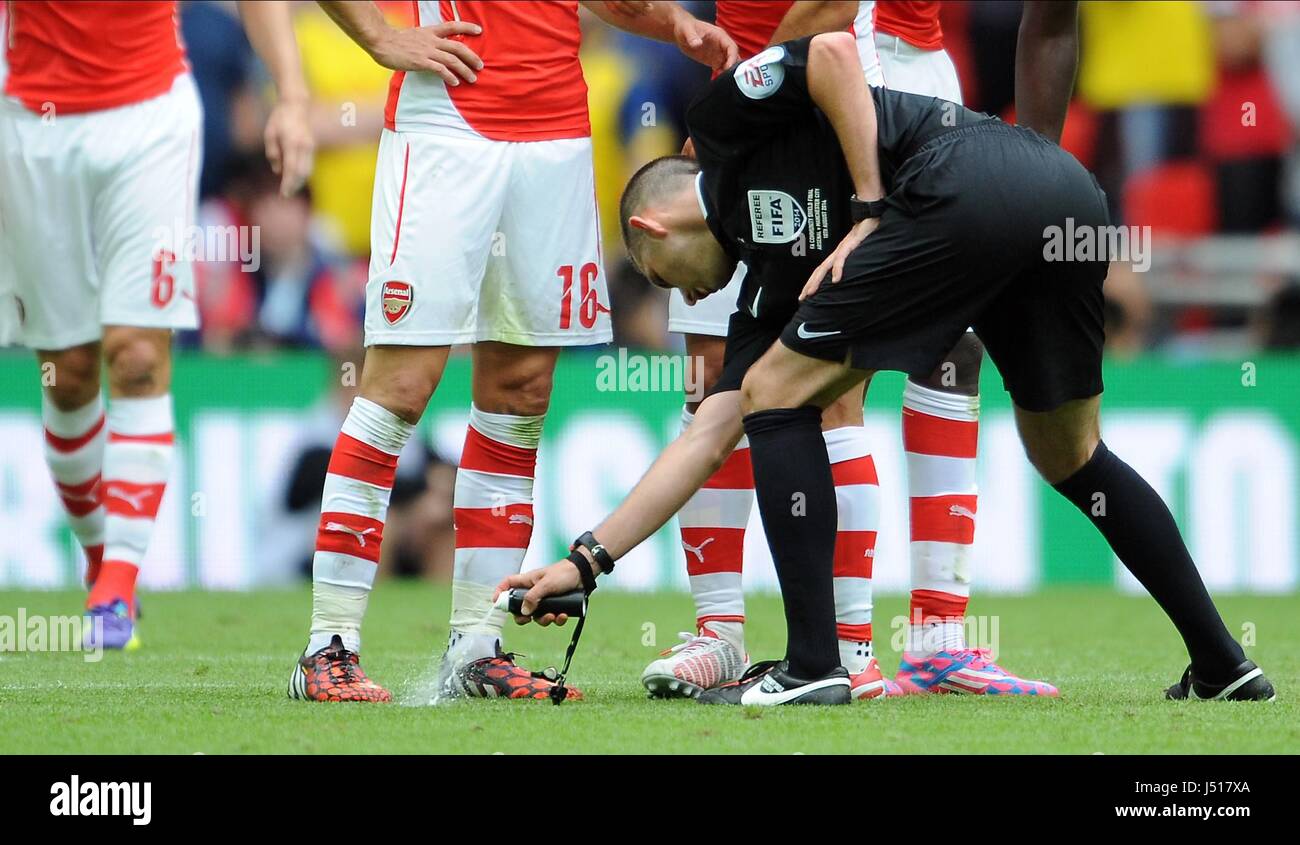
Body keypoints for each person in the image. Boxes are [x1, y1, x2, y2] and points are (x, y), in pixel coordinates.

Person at [501, 33, 1276, 707]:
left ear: (651, 225)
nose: (691, 294)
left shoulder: (722, 123)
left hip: (962, 181)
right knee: (1070, 455)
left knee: (777, 393)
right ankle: (1222, 662)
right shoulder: (768, 288)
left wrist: (869, 207)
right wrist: (587, 558)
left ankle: (812, 665)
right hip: (1056, 195)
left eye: (669, 276)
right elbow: (709, 434)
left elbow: (834, 51)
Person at [288, 0, 737, 703]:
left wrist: (667, 23)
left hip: (556, 131)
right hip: (446, 124)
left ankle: (475, 647)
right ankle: (327, 646)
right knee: (400, 386)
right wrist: (378, 35)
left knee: (522, 389)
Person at [643, 0, 1078, 700]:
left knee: (856, 377)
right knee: (715, 369)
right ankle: (720, 632)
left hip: (857, 63)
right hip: (759, 74)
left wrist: (739, 101)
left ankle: (908, 642)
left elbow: (833, 10)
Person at [0, 0, 313, 650]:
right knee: (69, 373)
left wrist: (291, 93)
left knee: (137, 354)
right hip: (30, 126)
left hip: (150, 119)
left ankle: (116, 583)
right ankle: (99, 559)